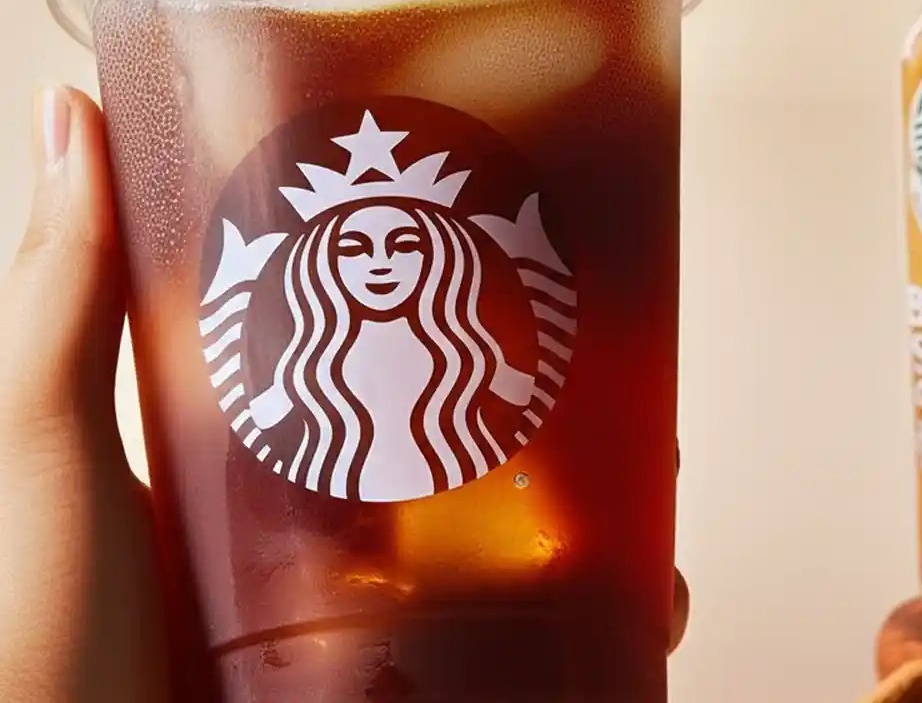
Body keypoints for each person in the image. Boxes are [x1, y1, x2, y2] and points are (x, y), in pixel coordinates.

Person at [0, 85, 688, 702]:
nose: (381, 264)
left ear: (441, 255)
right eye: (355, 248)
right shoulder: (293, 384)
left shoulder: (484, 369)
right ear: (320, 263)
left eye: (404, 245)